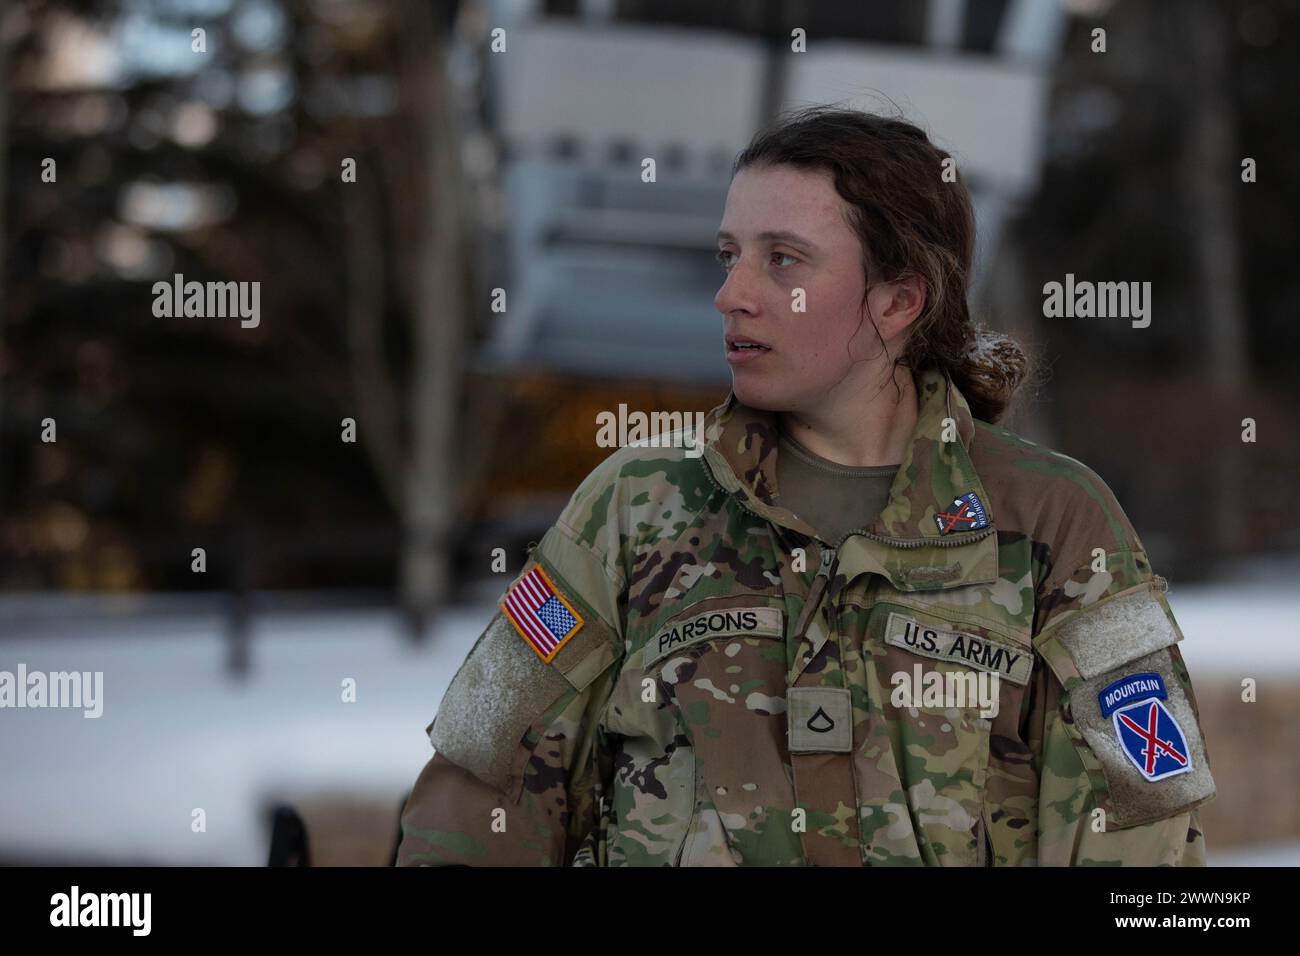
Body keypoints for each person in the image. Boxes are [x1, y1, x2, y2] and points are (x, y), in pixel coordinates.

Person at [395, 106, 1216, 866]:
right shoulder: (633, 507)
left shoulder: (1055, 522)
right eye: (729, 256)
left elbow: (1142, 833)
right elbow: (479, 791)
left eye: (780, 259)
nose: (730, 295)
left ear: (898, 299)